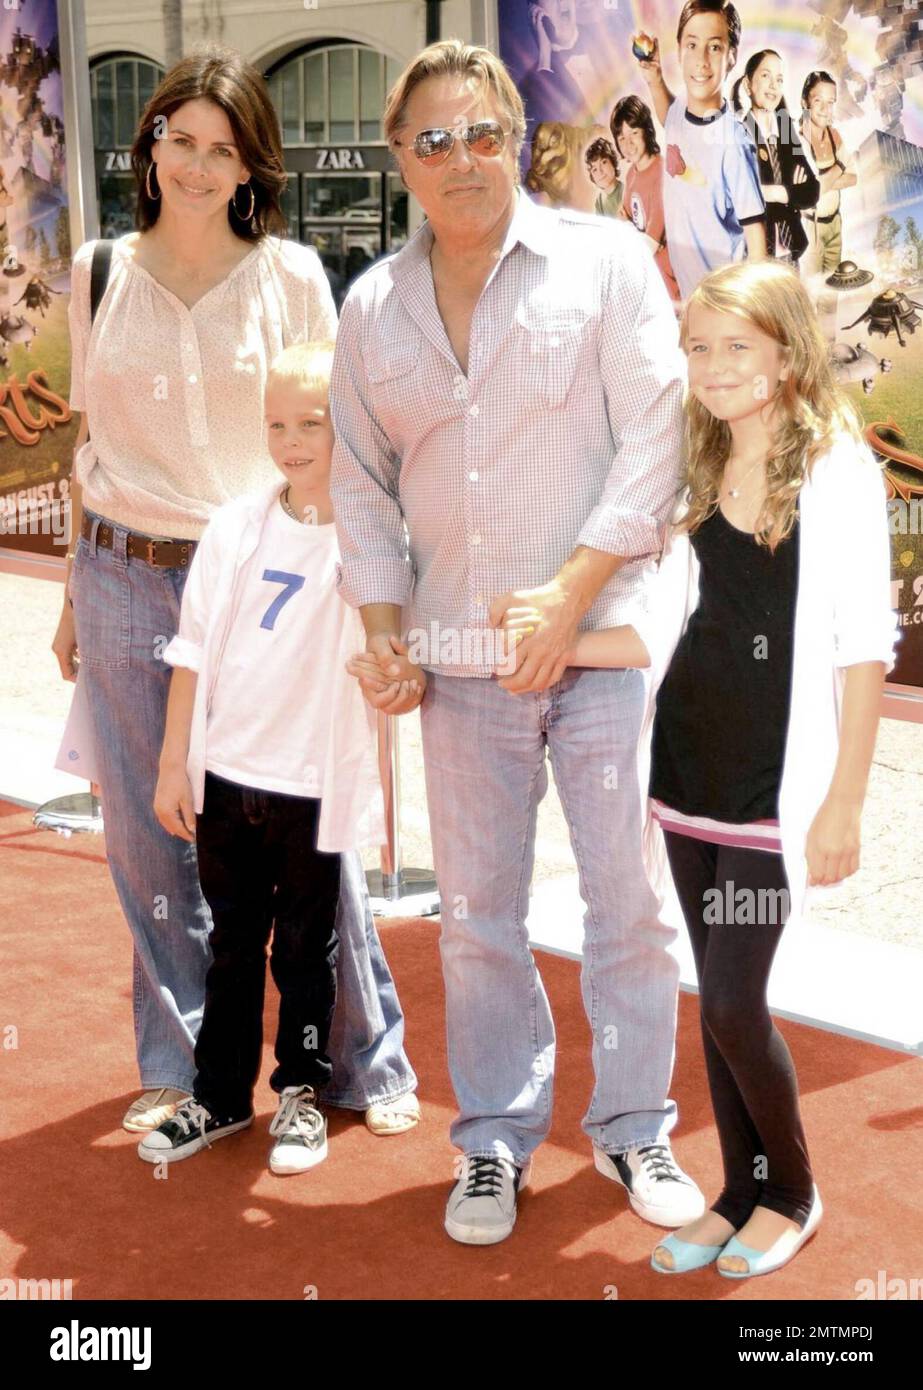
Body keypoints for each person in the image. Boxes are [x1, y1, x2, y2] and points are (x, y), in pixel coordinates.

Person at [331, 38, 706, 1247]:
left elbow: (658, 437)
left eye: (480, 132)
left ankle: (633, 1121)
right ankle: (491, 1138)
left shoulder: (603, 265)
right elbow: (357, 484)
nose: (459, 159)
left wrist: (570, 591)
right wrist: (385, 633)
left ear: (515, 140)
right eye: (430, 140)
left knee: (626, 904)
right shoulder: (370, 308)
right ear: (399, 160)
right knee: (476, 914)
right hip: (457, 669)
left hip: (595, 652)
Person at [51, 46, 418, 1139]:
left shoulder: (294, 277)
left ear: (251, 165)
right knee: (146, 834)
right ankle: (182, 1061)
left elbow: (335, 442)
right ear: (150, 144)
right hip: (124, 575)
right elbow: (88, 440)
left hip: (267, 591)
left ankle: (355, 1056)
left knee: (307, 825)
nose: (199, 166)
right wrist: (75, 592)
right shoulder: (98, 269)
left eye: (223, 148)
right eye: (180, 138)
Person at [546, 260, 897, 1277]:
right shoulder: (693, 468)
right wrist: (554, 637)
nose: (709, 366)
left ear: (786, 352)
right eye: (696, 346)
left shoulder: (835, 471)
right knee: (712, 991)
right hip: (686, 775)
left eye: (734, 345)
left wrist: (840, 802)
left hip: (766, 794)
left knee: (738, 1000)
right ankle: (736, 1189)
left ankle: (790, 1187)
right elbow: (661, 620)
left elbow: (861, 646)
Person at [140, 342, 401, 1171]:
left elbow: (396, 648)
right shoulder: (235, 527)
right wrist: (174, 761)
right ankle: (218, 1097)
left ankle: (300, 1092)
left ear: (349, 428)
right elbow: (189, 653)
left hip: (312, 786)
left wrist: (391, 667)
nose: (291, 441)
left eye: (311, 424)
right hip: (228, 778)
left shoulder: (372, 537)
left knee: (306, 947)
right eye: (277, 424)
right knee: (231, 942)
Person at [634, 0, 767, 299]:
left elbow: (755, 233)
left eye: (715, 47)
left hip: (725, 297)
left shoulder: (733, 142)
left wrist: (757, 305)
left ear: (732, 57)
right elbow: (670, 118)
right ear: (679, 50)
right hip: (689, 292)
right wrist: (655, 79)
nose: (701, 60)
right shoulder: (680, 110)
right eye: (692, 45)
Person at [731, 50, 819, 267]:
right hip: (755, 253)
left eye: (779, 79)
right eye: (765, 76)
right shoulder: (738, 134)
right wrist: (790, 192)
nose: (773, 85)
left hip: (790, 251)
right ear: (748, 84)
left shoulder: (786, 132)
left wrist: (776, 192)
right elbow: (738, 197)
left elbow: (811, 191)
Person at [799, 70, 858, 338]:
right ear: (805, 102)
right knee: (811, 296)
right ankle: (810, 359)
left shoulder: (834, 135)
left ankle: (830, 349)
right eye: (818, 101)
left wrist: (823, 181)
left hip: (834, 222)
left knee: (831, 293)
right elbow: (807, 191)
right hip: (809, 230)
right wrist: (840, 166)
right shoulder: (794, 137)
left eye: (831, 101)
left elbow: (853, 177)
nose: (825, 108)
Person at [610, 94, 680, 303]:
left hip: (674, 285)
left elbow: (648, 246)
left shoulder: (663, 173)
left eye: (634, 132)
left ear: (646, 132)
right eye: (621, 137)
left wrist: (633, 232)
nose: (628, 143)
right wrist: (631, 231)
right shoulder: (631, 174)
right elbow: (621, 223)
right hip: (650, 283)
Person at [584, 136, 623, 219]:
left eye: (604, 162)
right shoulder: (599, 201)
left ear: (613, 162)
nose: (600, 172)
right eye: (594, 169)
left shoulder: (625, 191)